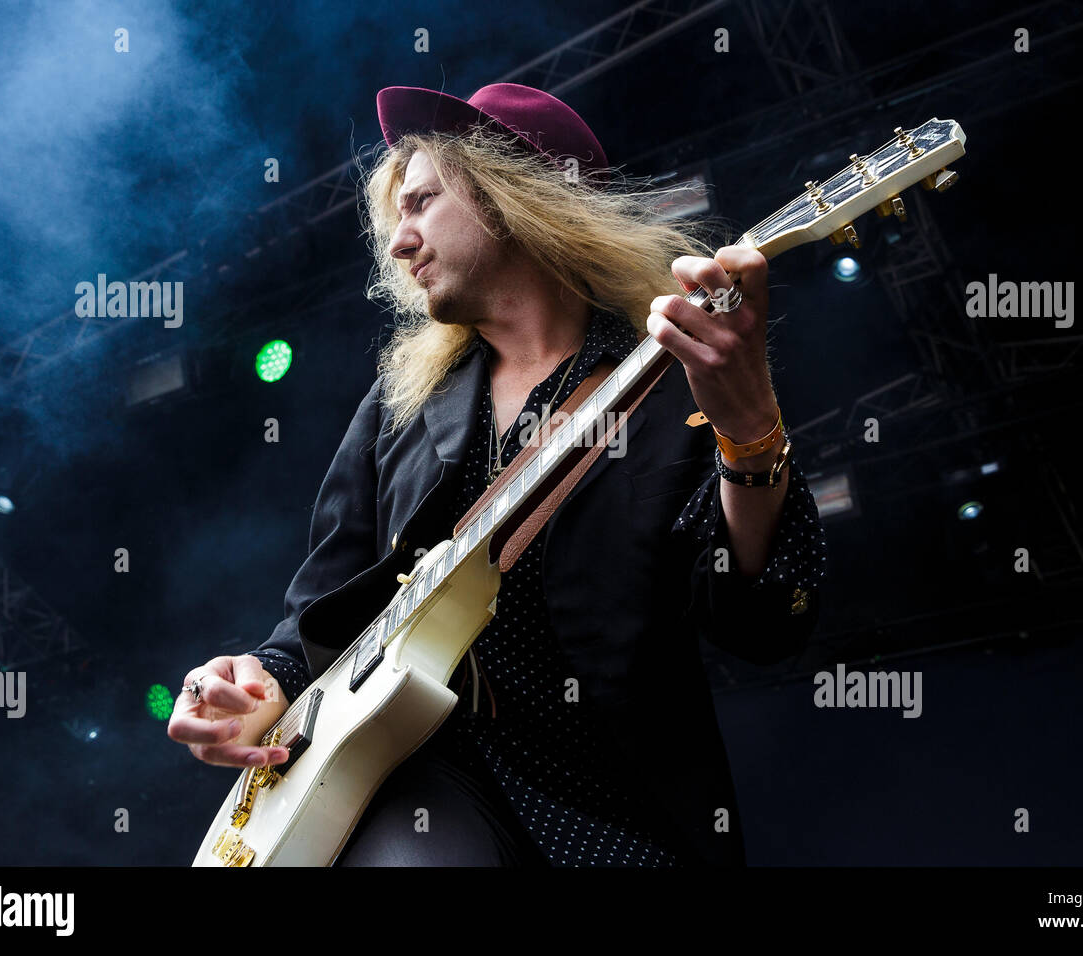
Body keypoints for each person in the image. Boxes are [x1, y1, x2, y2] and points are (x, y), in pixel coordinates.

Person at [169, 83, 826, 866]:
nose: (399, 242)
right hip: (427, 775)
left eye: (420, 204)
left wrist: (750, 433)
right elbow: (324, 605)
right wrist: (261, 685)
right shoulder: (402, 404)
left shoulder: (674, 385)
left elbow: (762, 623)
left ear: (513, 198)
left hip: (612, 813)